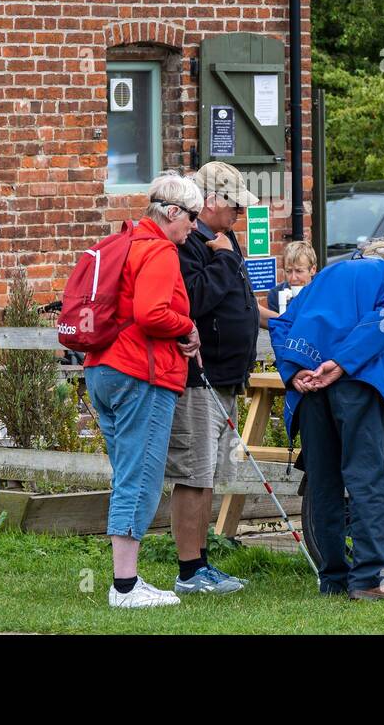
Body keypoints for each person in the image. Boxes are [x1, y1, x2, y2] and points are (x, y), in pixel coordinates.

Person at [270, 239, 384, 601]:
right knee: (366, 478)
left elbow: (282, 324)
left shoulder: (325, 276)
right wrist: (342, 363)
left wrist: (293, 372)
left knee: (324, 483)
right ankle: (370, 578)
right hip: (357, 384)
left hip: (310, 389)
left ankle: (333, 578)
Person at [83, 171, 203, 609]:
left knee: (127, 476)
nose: (195, 225)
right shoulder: (160, 250)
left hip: (102, 369)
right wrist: (188, 325)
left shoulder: (126, 241)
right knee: (141, 478)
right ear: (172, 212)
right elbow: (153, 314)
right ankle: (125, 587)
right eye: (191, 216)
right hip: (140, 374)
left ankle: (127, 580)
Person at [168, 161, 260, 595]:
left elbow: (239, 297)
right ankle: (189, 570)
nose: (240, 213)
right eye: (235, 205)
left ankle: (202, 563)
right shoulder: (189, 243)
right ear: (210, 202)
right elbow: (193, 299)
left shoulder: (224, 240)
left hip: (226, 375)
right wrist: (223, 260)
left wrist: (275, 320)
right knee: (194, 472)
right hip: (198, 378)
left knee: (210, 472)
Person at [259, 240, 318, 328]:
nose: (293, 278)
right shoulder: (275, 294)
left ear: (313, 270)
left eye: (299, 271)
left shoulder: (323, 290)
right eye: (288, 271)